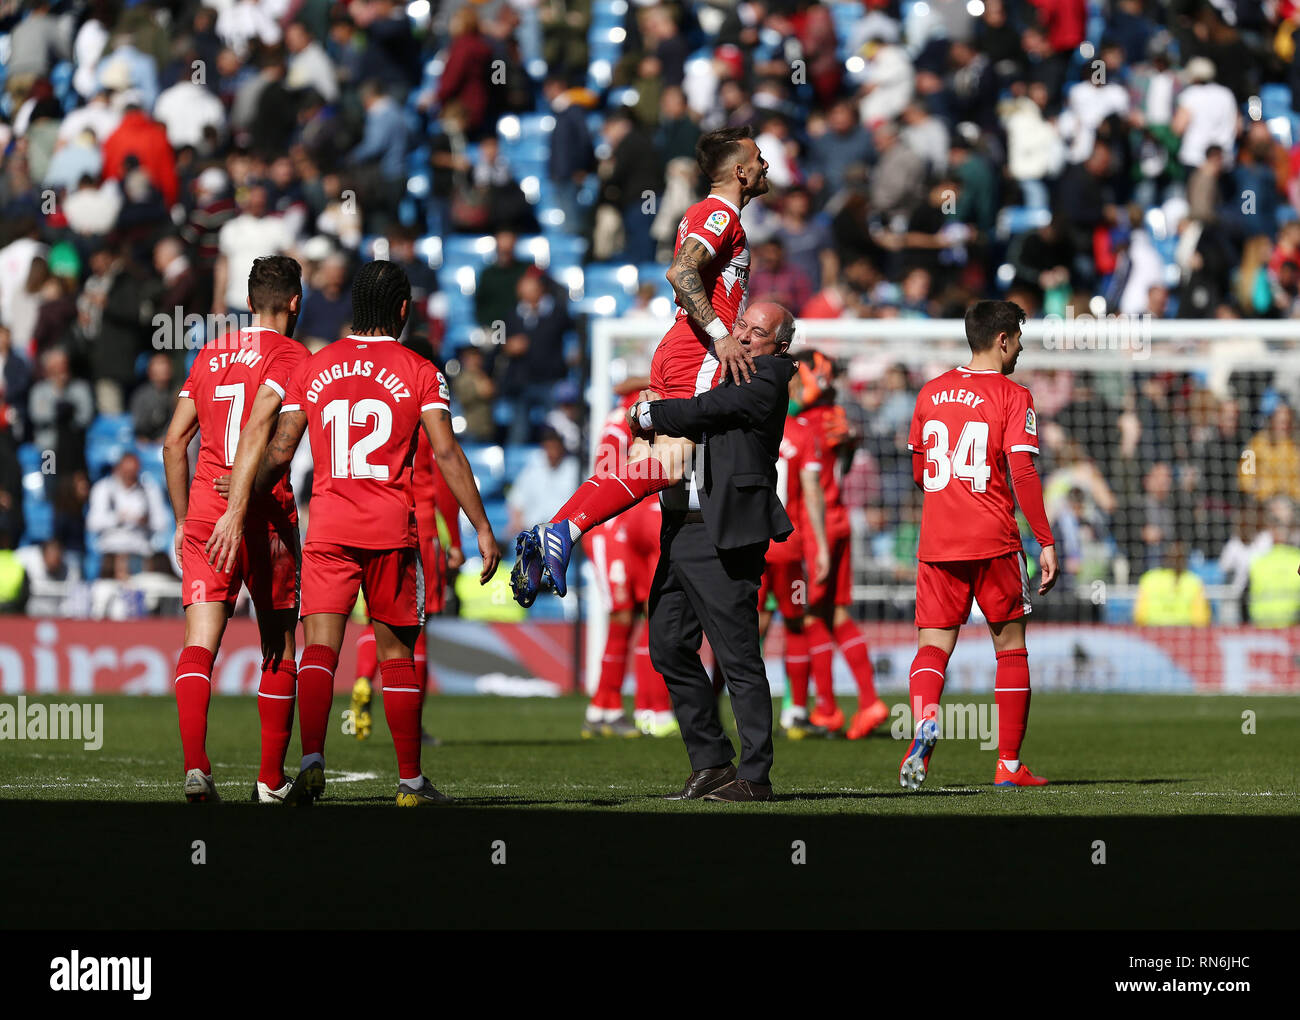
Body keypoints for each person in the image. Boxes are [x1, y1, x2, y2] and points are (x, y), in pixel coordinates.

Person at [250, 261, 499, 807]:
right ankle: (410, 783)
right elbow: (448, 454)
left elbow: (280, 449)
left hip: (329, 528)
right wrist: (481, 526)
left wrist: (241, 490)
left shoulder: (314, 366)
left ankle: (312, 760)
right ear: (403, 310)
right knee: (397, 656)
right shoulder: (420, 370)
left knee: (320, 650)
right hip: (391, 529)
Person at [512, 126, 769, 604]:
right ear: (739, 170)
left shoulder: (708, 213)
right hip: (697, 349)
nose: (765, 165)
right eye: (757, 158)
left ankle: (560, 531)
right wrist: (721, 337)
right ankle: (566, 530)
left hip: (679, 345)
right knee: (671, 464)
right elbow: (681, 272)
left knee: (645, 464)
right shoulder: (720, 214)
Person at [629, 302, 797, 802]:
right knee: (667, 644)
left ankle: (756, 775)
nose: (744, 337)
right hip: (681, 524)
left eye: (758, 332)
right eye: (742, 326)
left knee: (738, 656)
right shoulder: (719, 363)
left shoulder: (768, 376)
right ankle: (710, 762)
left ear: (779, 346)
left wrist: (650, 411)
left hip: (724, 533)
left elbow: (706, 410)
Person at [161, 255, 308, 804]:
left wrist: (182, 519)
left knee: (200, 645)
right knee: (277, 645)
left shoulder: (209, 352)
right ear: (295, 301)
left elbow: (174, 442)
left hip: (203, 512)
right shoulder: (295, 357)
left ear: (247, 302)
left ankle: (196, 768)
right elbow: (279, 443)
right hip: (264, 514)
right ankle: (270, 780)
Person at [900, 300, 1058, 791]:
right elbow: (1024, 471)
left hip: (938, 541)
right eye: (1019, 338)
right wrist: (1046, 540)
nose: (1022, 347)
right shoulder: (1014, 395)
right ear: (1003, 339)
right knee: (1010, 648)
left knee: (932, 647)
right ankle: (1009, 765)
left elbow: (920, 473)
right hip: (993, 540)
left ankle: (924, 723)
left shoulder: (929, 392)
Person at [791, 350, 889, 740]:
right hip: (840, 519)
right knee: (838, 615)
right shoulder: (838, 417)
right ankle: (868, 702)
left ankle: (828, 709)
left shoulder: (802, 421)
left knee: (811, 617)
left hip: (816, 528)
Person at [584, 388, 675, 739]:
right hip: (610, 528)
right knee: (625, 614)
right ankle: (616, 707)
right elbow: (607, 476)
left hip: (626, 526)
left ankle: (609, 708)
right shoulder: (621, 422)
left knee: (635, 615)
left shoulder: (633, 415)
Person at [758, 372, 830, 739]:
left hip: (752, 544)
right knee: (795, 624)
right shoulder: (802, 432)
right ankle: (796, 710)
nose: (803, 391)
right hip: (789, 546)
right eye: (798, 386)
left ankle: (743, 710)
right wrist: (821, 545)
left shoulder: (752, 423)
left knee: (747, 628)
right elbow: (812, 493)